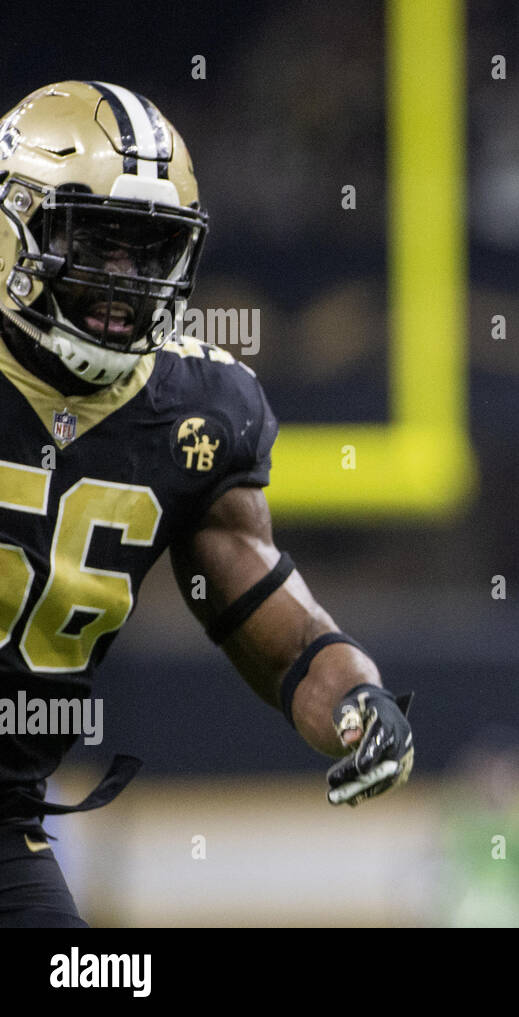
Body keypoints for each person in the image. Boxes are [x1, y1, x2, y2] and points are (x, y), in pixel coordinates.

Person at [0, 81, 414, 927]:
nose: (121, 278)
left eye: (148, 249)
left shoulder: (197, 413)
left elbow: (277, 623)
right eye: (94, 242)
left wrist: (355, 697)